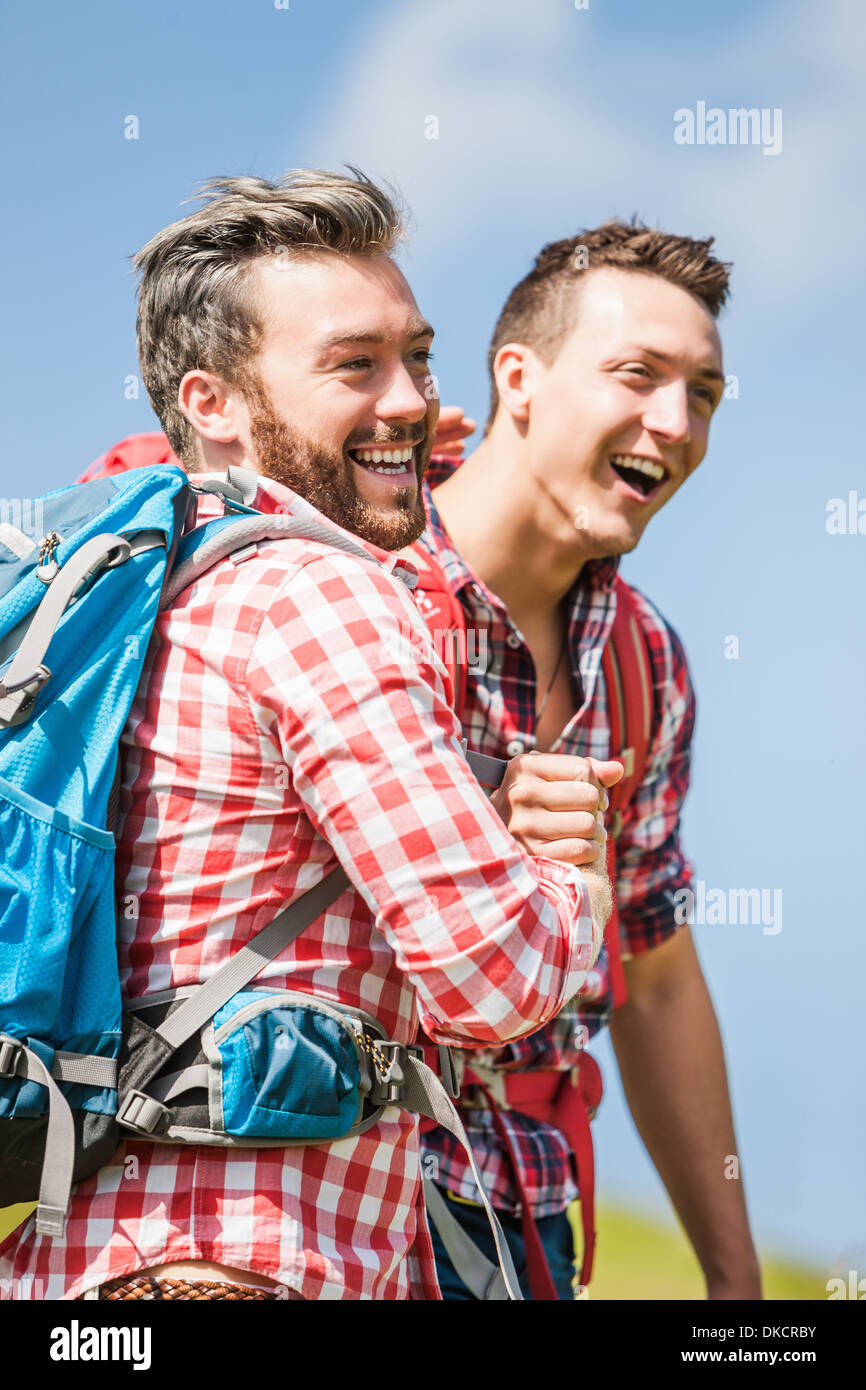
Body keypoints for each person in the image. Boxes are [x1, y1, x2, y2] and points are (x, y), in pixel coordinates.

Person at [0, 171, 620, 1302]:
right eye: (354, 366)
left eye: (417, 357)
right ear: (213, 402)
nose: (413, 403)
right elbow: (491, 975)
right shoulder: (315, 598)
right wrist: (571, 876)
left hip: (87, 1263)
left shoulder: (154, 598)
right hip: (240, 1257)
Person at [417, 222, 764, 1300]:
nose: (675, 421)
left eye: (703, 392)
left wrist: (733, 1288)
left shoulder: (643, 661)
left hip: (525, 1224)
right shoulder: (348, 579)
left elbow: (651, 970)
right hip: (319, 1200)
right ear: (515, 378)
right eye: (638, 375)